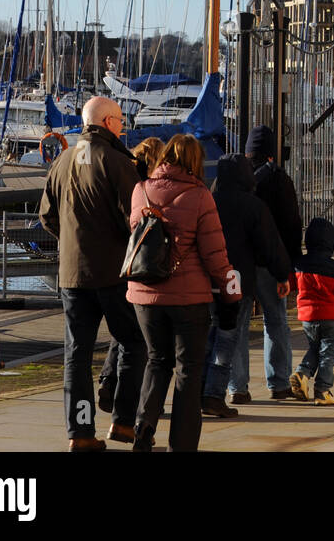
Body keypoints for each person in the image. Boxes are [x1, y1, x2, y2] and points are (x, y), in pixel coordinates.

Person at [38, 96, 146, 452]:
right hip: (112, 272)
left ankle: (81, 432)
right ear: (109, 122)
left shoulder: (62, 160)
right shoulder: (117, 162)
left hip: (72, 273)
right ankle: (124, 421)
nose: (123, 126)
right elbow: (136, 219)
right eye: (120, 120)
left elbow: (46, 216)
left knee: (77, 354)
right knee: (133, 343)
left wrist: (70, 240)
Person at [127, 133, 241, 452]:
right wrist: (232, 293)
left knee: (156, 359)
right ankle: (183, 443)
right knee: (188, 370)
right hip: (189, 298)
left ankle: (143, 425)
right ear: (195, 161)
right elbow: (216, 256)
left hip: (144, 293)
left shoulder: (141, 191)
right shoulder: (200, 195)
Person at [202, 154, 292, 418]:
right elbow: (269, 246)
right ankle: (222, 391)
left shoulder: (209, 202)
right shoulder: (253, 206)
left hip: (209, 277)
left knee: (214, 333)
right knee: (234, 332)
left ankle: (231, 386)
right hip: (238, 279)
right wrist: (282, 274)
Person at [233, 125, 304, 403]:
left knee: (236, 325)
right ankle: (278, 382)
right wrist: (290, 263)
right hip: (269, 263)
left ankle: (236, 387)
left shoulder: (231, 179)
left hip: (238, 263)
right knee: (275, 321)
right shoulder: (278, 180)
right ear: (271, 153)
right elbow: (291, 225)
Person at [97, 135, 166, 416]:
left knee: (122, 332)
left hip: (116, 262)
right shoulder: (147, 187)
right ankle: (131, 399)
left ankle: (107, 380)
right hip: (140, 266)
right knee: (139, 337)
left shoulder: (123, 171)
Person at [288, 218, 334, 405]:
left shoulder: (299, 264)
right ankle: (323, 389)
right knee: (328, 353)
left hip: (308, 317)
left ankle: (302, 373)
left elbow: (290, 284)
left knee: (314, 348)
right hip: (331, 318)